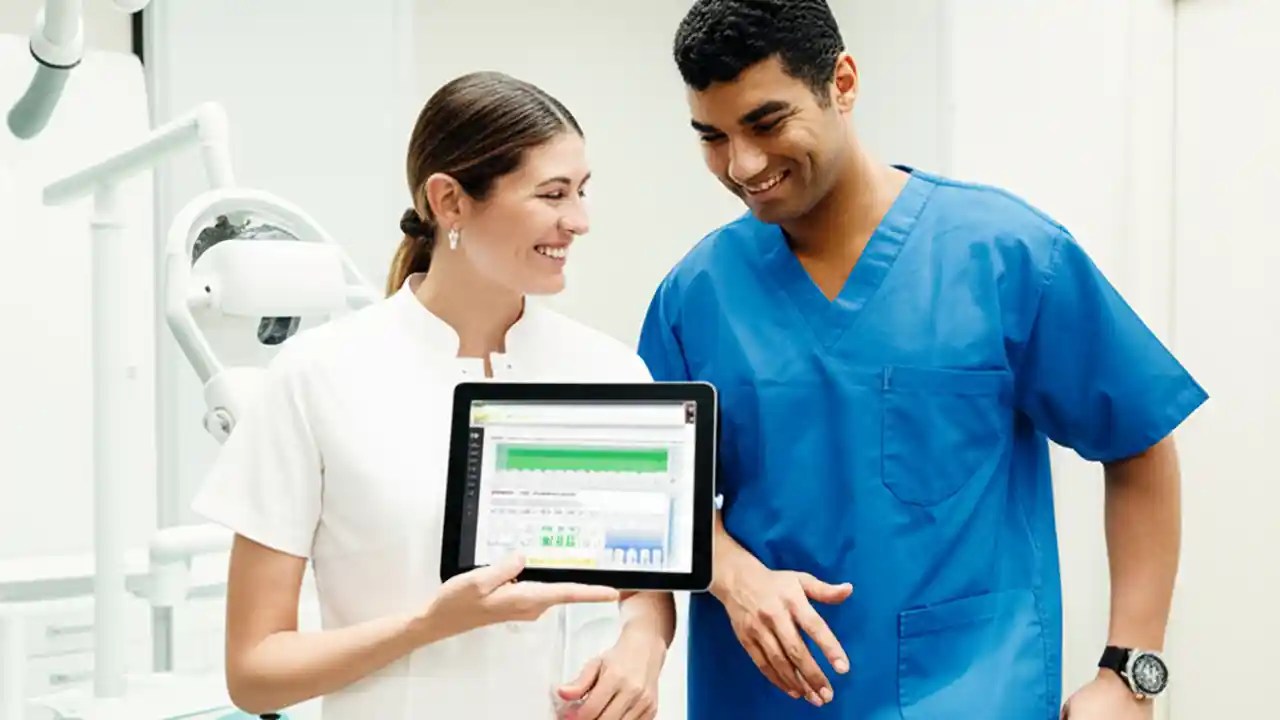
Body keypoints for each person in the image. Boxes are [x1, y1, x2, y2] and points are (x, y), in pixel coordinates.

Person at [637, 2, 1207, 719]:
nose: (743, 164)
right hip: (764, 697)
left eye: (766, 123)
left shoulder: (1006, 256)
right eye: (712, 137)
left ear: (841, 83)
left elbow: (1139, 443)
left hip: (969, 690)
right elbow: (655, 496)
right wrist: (732, 575)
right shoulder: (698, 295)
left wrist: (1128, 672)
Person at [192, 71, 675, 719]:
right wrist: (429, 624)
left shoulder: (611, 372)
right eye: (553, 193)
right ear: (449, 201)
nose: (579, 221)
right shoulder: (318, 376)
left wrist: (643, 644)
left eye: (583, 192)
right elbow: (254, 674)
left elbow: (643, 585)